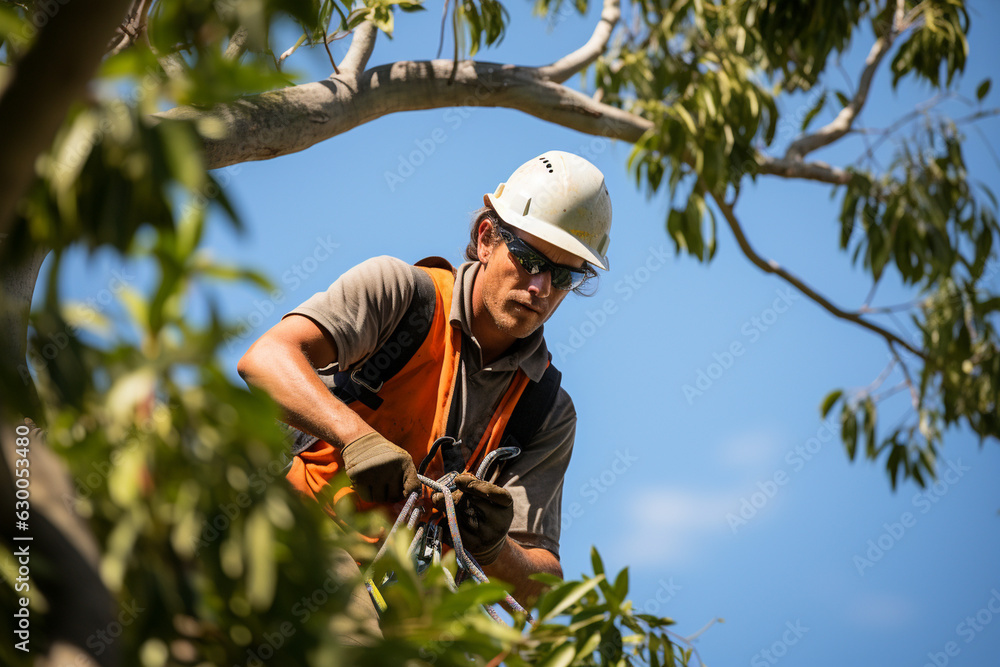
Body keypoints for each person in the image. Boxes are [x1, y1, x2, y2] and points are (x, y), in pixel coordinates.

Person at [237, 149, 612, 636]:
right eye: (528, 259)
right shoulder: (403, 296)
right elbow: (263, 360)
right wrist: (357, 438)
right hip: (301, 527)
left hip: (407, 596)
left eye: (563, 276)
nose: (541, 287)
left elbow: (542, 588)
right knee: (355, 636)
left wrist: (496, 547)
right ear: (486, 239)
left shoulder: (545, 408)